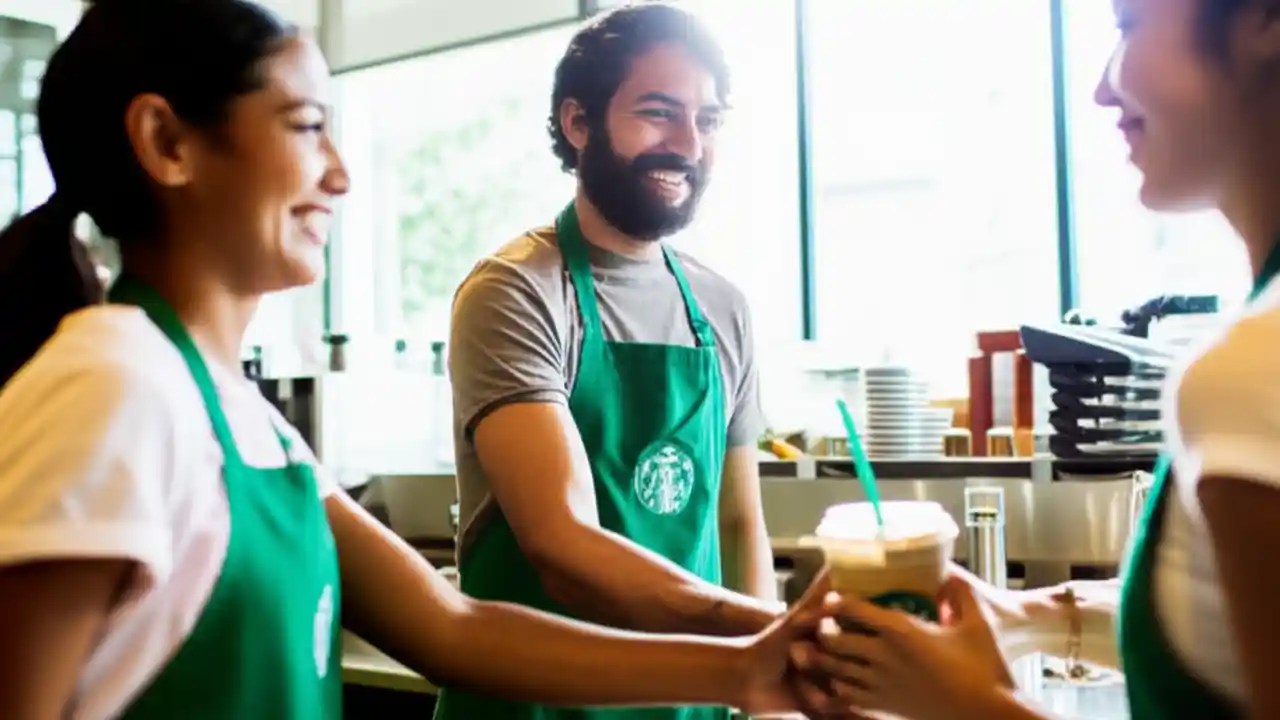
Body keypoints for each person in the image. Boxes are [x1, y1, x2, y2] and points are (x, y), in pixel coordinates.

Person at [0, 2, 857, 719]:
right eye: (305, 128)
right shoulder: (114, 387)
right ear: (167, 142)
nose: (339, 175)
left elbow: (452, 627)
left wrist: (752, 667)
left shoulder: (241, 420)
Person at [804, 0, 1280, 718]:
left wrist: (966, 705)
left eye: (1129, 27)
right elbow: (1219, 621)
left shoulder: (1250, 364)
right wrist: (1032, 617)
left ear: (1263, 22)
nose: (1101, 88)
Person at [437, 4, 782, 719]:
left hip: (689, 706)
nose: (687, 143)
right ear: (578, 122)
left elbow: (740, 526)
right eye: (659, 113)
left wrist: (771, 698)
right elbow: (562, 542)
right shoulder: (517, 290)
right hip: (536, 705)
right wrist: (769, 639)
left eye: (708, 121)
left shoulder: (724, 309)